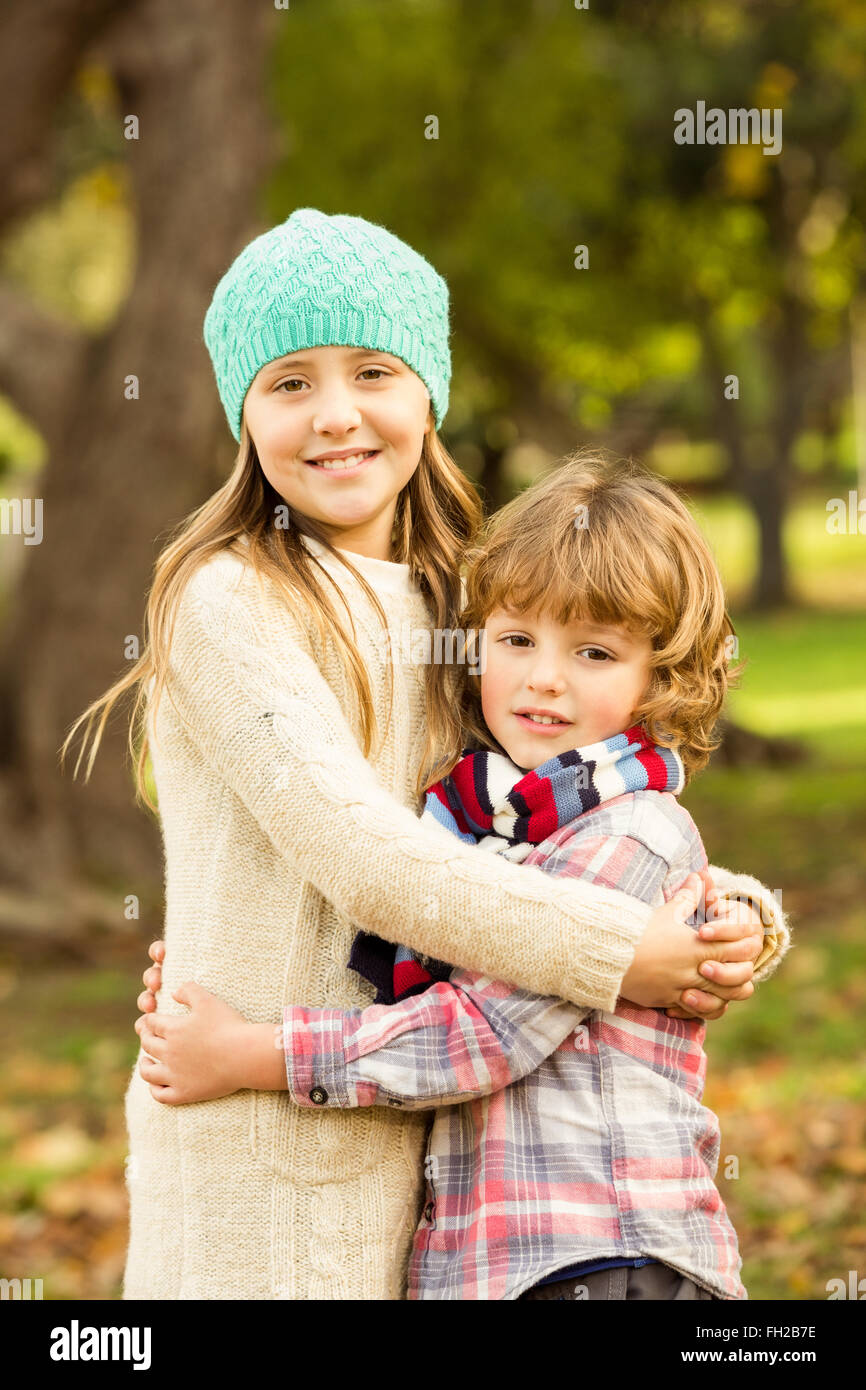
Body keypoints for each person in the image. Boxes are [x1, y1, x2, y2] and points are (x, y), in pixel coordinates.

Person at [64, 208, 784, 1300]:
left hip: (430, 1161)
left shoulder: (472, 604)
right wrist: (622, 947)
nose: (336, 414)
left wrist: (717, 914)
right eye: (289, 382)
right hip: (257, 1137)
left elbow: (552, 813)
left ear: (429, 393)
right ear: (241, 413)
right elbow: (364, 858)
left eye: (372, 371)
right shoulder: (232, 600)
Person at [135, 455, 789, 1300]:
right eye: (516, 640)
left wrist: (260, 1053)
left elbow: (482, 1033)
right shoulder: (487, 820)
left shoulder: (632, 828)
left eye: (593, 651)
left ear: (659, 679)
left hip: (601, 1253)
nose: (543, 677)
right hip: (502, 1261)